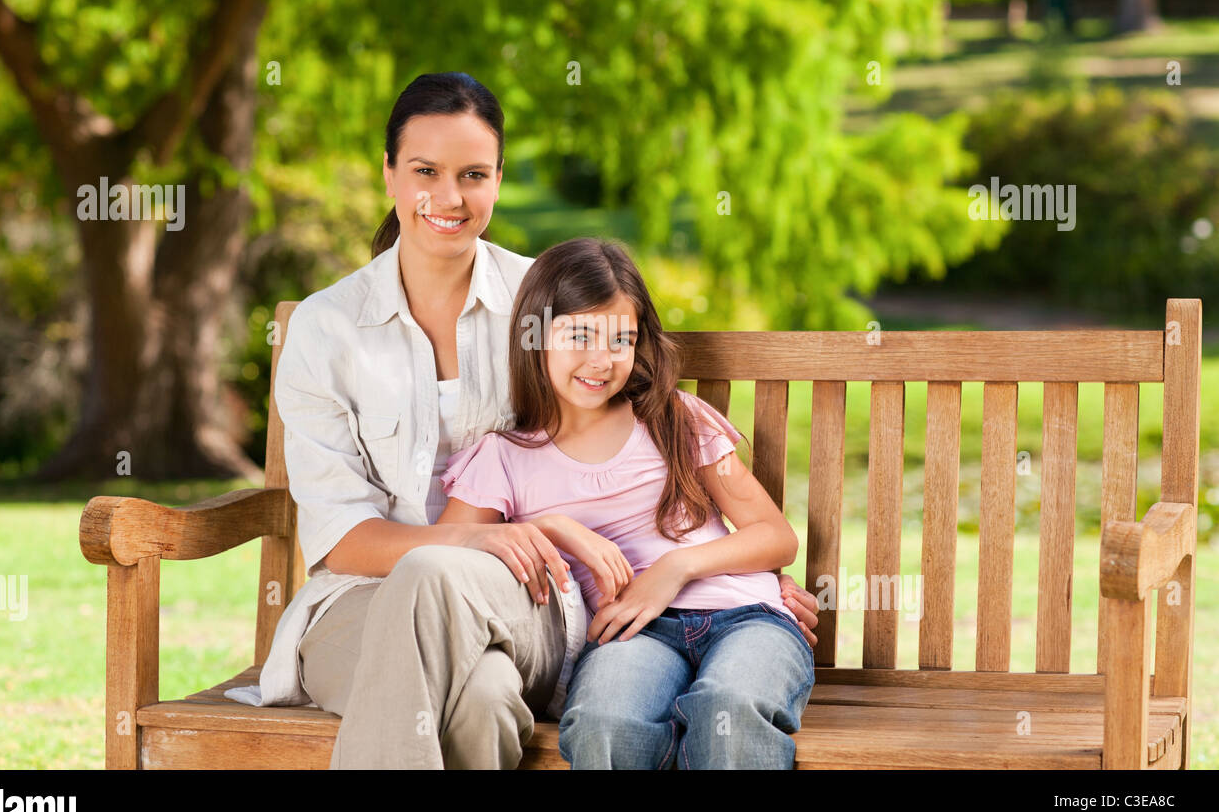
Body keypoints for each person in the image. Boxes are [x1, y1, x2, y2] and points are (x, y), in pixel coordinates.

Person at [226, 71, 820, 769]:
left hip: (522, 602)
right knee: (474, 686)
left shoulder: (545, 300)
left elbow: (636, 430)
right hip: (365, 600)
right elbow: (340, 541)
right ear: (388, 173)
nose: (449, 197)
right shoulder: (328, 328)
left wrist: (727, 578)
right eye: (425, 171)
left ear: (499, 180)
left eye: (473, 174)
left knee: (451, 603)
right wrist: (522, 534)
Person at [438, 237, 815, 769]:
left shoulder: (675, 419)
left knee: (727, 707)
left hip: (746, 616)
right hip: (631, 637)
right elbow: (450, 556)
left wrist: (675, 567)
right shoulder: (502, 458)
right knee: (605, 724)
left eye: (623, 339)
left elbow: (776, 536)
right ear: (535, 336)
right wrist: (553, 527)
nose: (602, 359)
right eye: (580, 335)